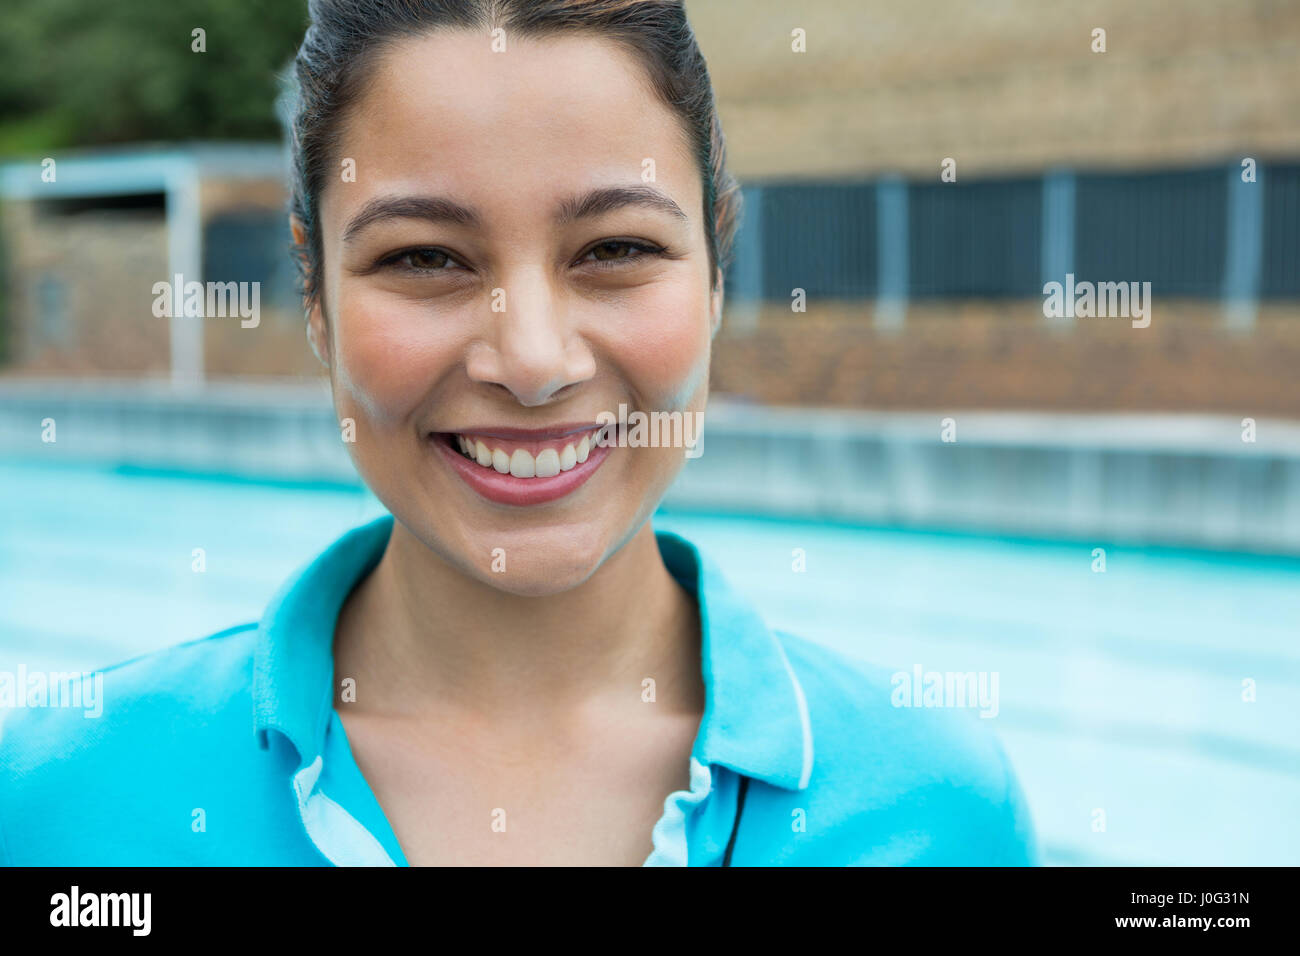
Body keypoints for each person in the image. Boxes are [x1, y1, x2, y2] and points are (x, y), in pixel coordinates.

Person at [0, 0, 1038, 866]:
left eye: (616, 246)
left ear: (717, 269)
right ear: (314, 293)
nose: (534, 359)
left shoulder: (936, 808)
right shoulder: (62, 798)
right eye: (424, 259)